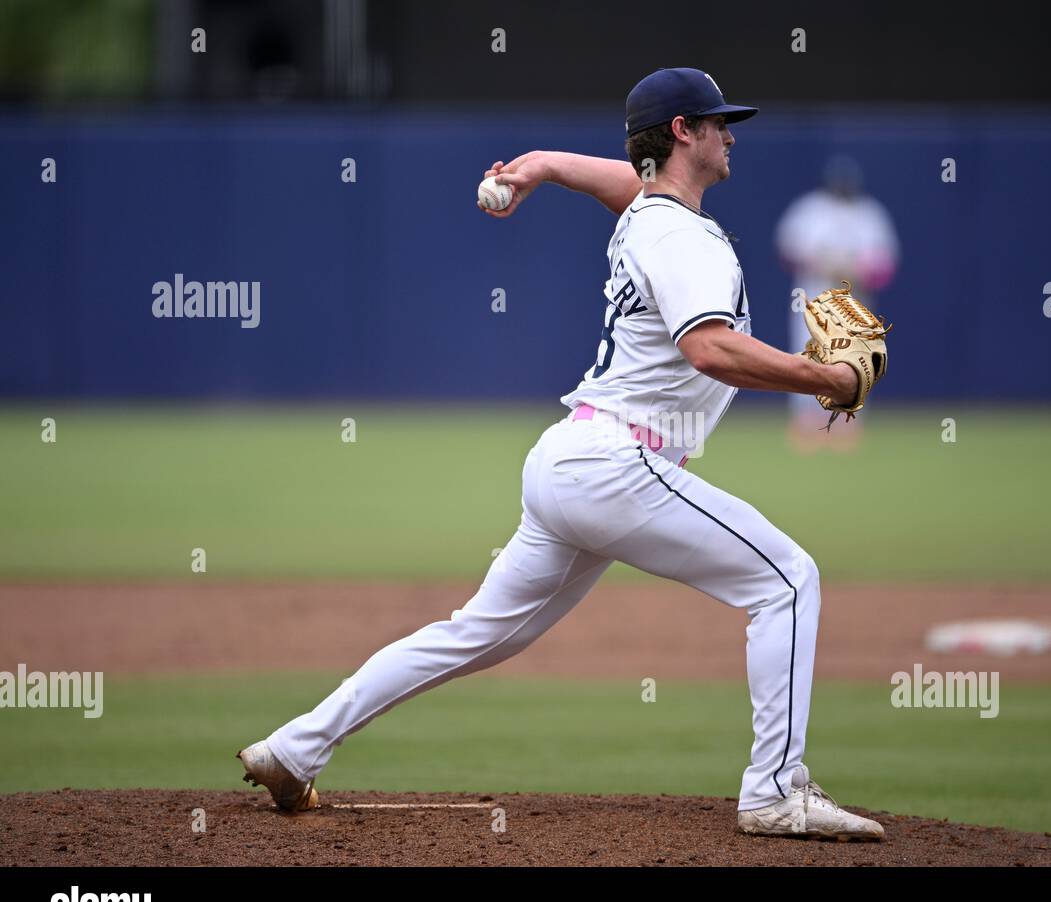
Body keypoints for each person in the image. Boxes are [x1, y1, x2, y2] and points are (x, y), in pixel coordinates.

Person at [237, 68, 883, 842]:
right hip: (617, 464)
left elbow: (621, 182)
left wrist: (542, 162)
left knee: (471, 632)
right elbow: (709, 349)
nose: (728, 133)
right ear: (682, 132)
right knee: (786, 579)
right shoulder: (679, 234)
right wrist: (827, 378)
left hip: (570, 460)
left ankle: (294, 747)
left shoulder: (652, 214)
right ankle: (774, 791)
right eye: (714, 122)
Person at [776, 154, 899, 450]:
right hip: (815, 295)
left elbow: (885, 267)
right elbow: (788, 251)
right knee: (808, 353)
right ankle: (806, 421)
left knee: (856, 357)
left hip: (854, 298)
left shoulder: (870, 214)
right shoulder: (811, 209)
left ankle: (848, 422)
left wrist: (854, 269)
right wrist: (824, 262)